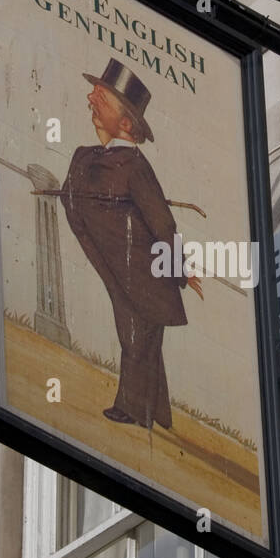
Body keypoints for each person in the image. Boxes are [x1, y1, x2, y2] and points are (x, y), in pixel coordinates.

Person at [59, 59, 202, 429]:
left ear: (126, 123)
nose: (91, 98)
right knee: (138, 338)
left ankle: (136, 410)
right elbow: (72, 202)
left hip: (148, 273)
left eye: (102, 98)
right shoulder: (84, 157)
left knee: (138, 339)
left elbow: (162, 222)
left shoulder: (135, 167)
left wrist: (181, 272)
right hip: (118, 269)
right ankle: (155, 413)